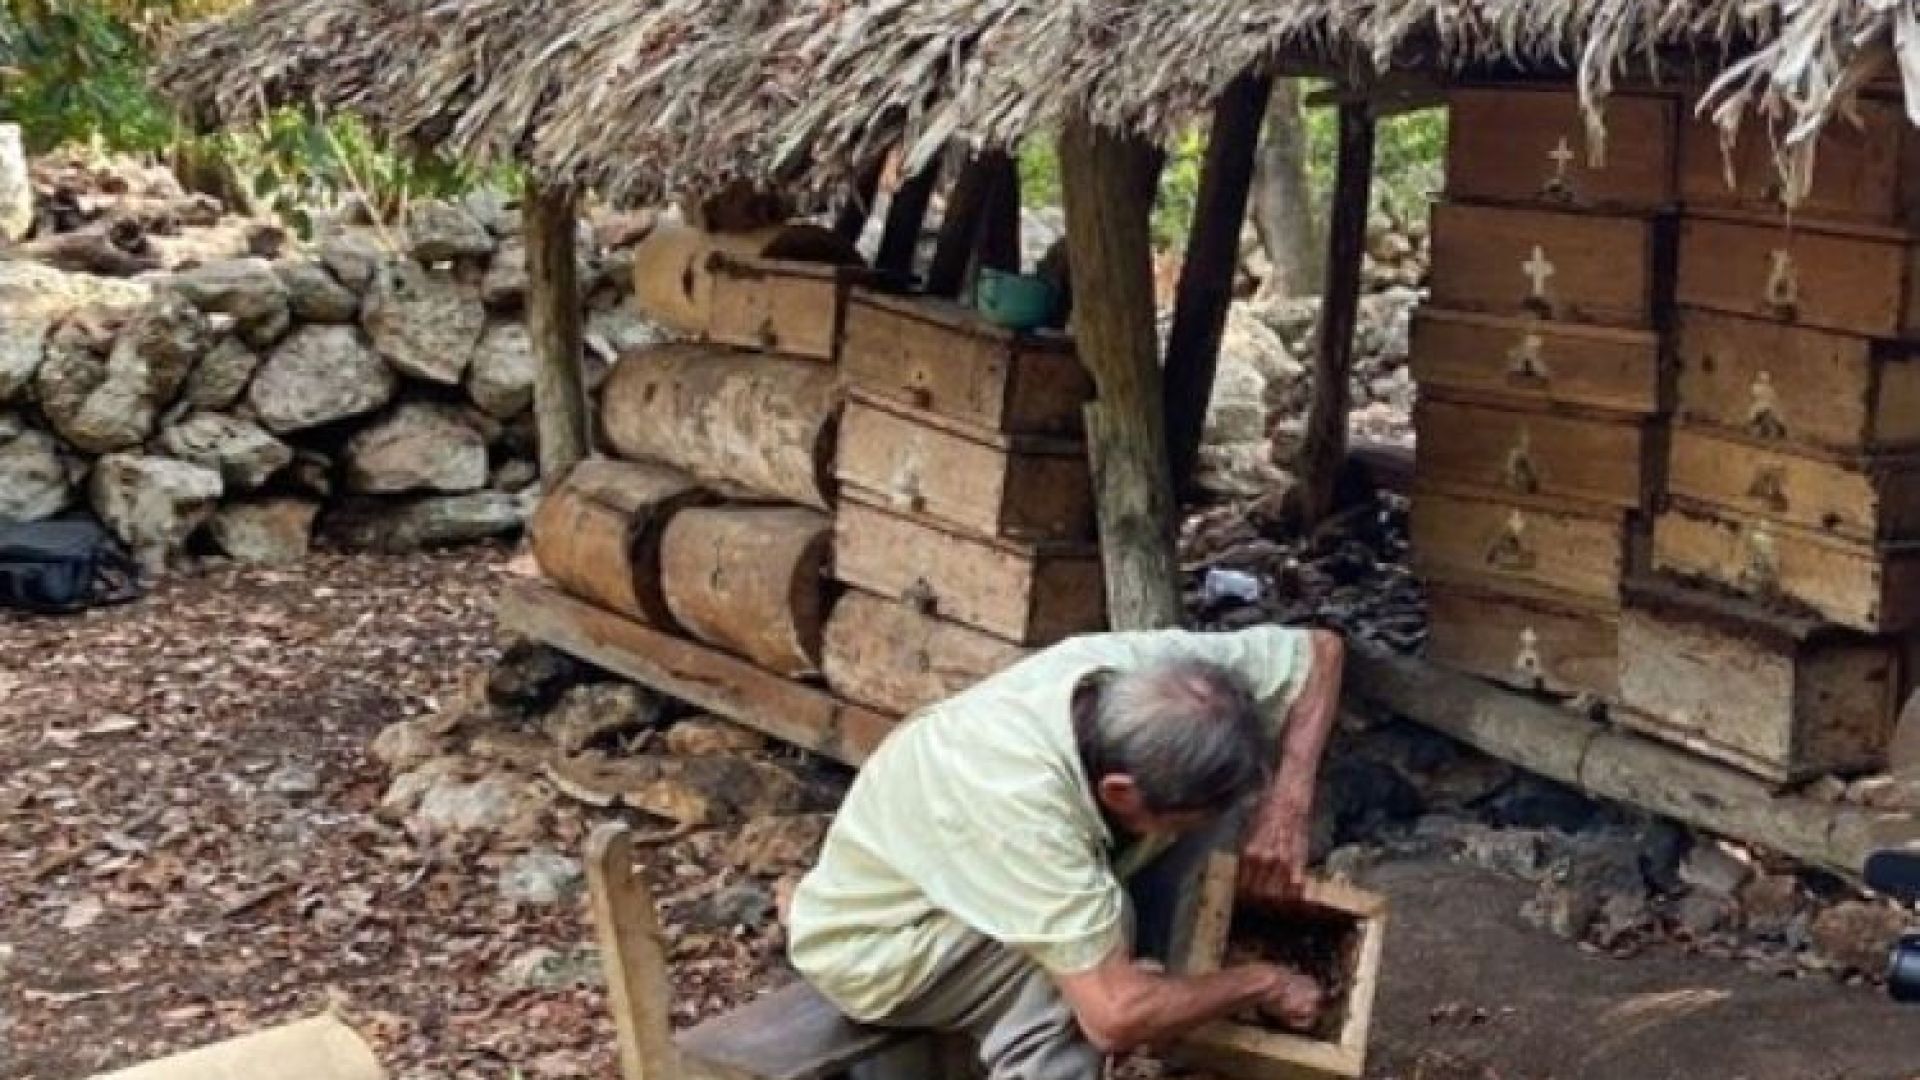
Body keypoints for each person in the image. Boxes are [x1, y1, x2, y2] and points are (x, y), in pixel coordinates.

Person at [787, 624, 1346, 1080]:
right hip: (882, 945)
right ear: (1119, 792)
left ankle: (1162, 993)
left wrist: (1286, 803)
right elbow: (1114, 1017)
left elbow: (1319, 653)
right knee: (1068, 992)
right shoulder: (1024, 810)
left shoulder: (1161, 676)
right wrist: (1260, 981)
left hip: (966, 869)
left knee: (1191, 828)